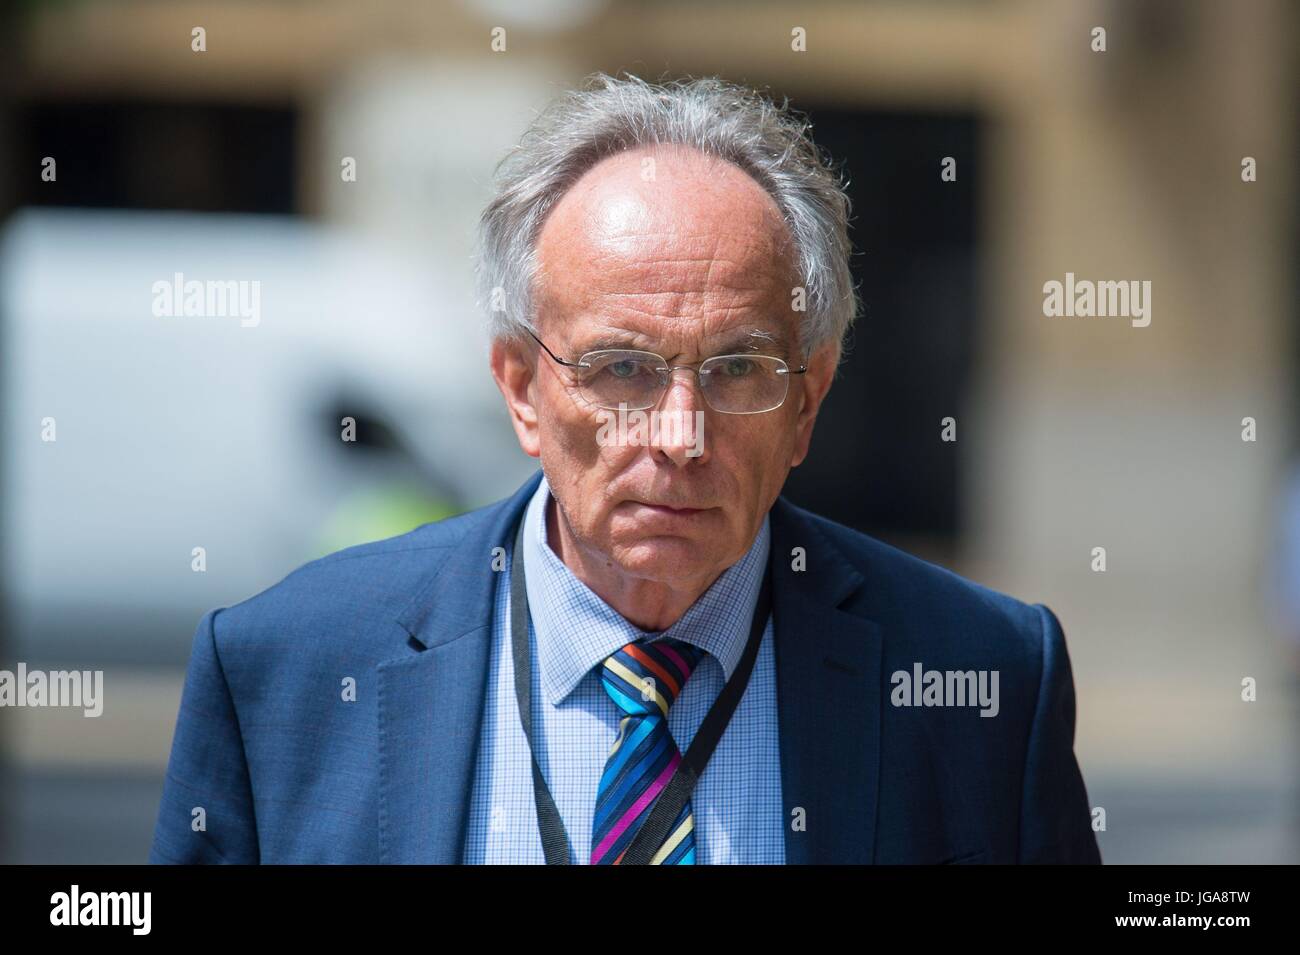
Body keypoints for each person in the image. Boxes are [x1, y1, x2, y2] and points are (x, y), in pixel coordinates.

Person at [150, 72, 1101, 864]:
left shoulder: (983, 680)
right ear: (521, 387)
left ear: (807, 399)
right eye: (621, 370)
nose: (681, 434)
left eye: (737, 369)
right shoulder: (287, 671)